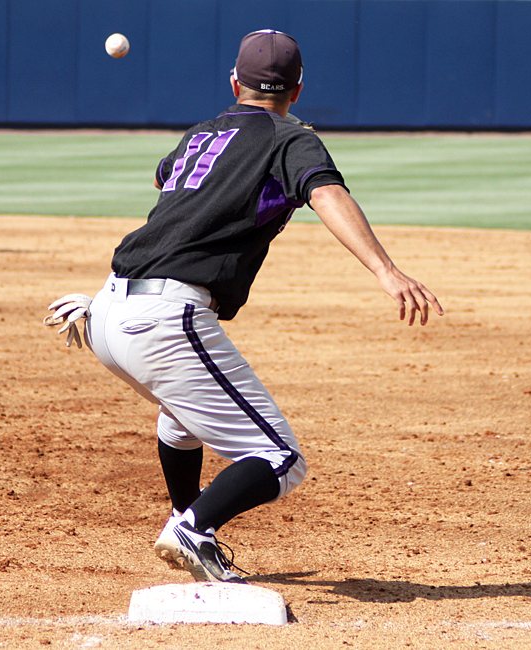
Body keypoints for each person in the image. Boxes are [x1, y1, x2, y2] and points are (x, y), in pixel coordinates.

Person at [46, 29, 443, 583]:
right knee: (281, 459)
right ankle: (193, 530)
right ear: (298, 91)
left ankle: (189, 525)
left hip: (107, 308)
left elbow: (164, 181)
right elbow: (325, 192)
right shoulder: (291, 138)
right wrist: (386, 270)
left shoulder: (200, 134)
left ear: (235, 83)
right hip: (166, 317)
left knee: (181, 422)